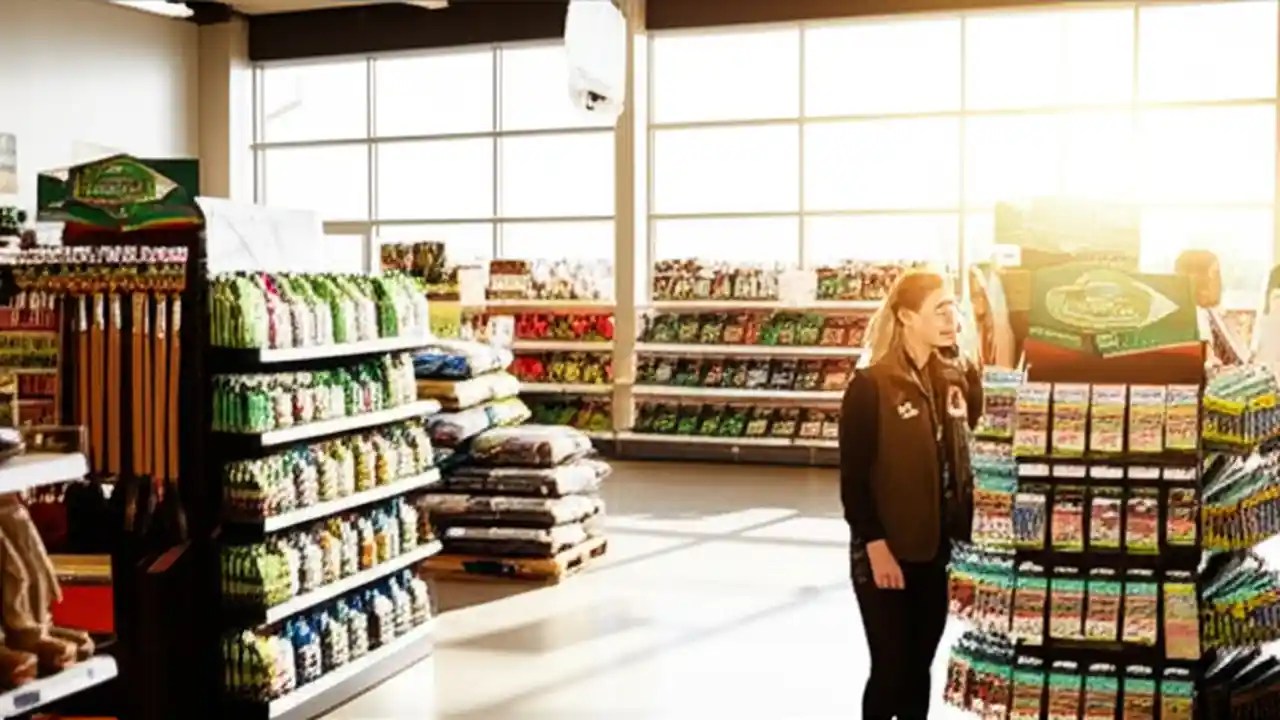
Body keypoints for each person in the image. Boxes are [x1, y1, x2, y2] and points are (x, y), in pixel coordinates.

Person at [840, 270, 982, 720]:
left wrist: (966, 367)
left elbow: (972, 430)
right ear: (906, 316)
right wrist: (876, 547)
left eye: (952, 309)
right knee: (891, 667)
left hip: (936, 550)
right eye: (939, 309)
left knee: (920, 667)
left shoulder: (950, 377)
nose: (950, 318)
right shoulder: (870, 386)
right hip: (885, 551)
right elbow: (854, 482)